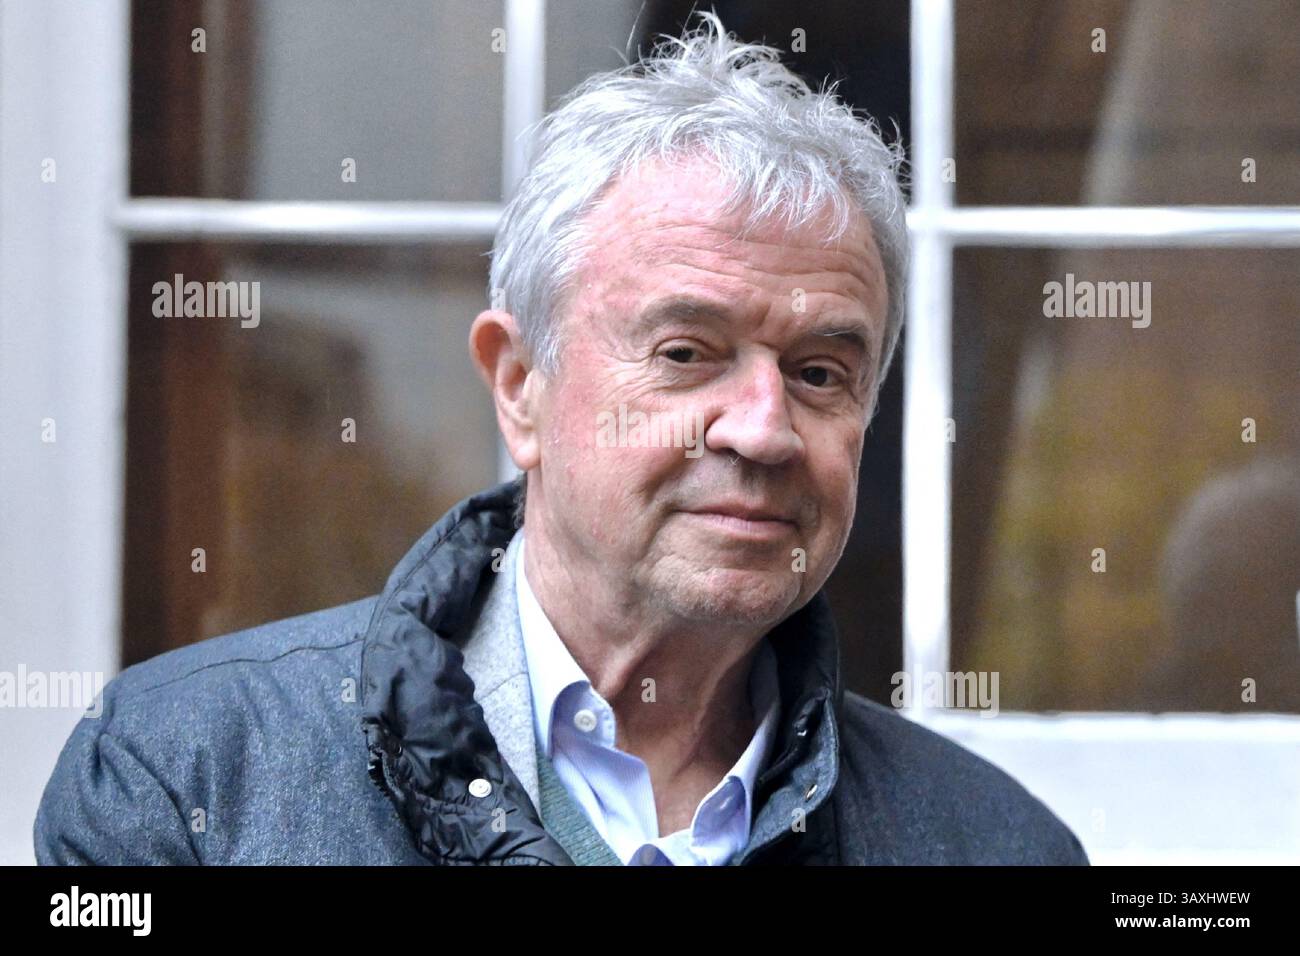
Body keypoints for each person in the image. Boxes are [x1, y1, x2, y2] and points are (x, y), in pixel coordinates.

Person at [34, 13, 1087, 866]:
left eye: (819, 373)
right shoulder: (192, 777)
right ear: (520, 383)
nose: (764, 427)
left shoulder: (995, 845)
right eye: (685, 351)